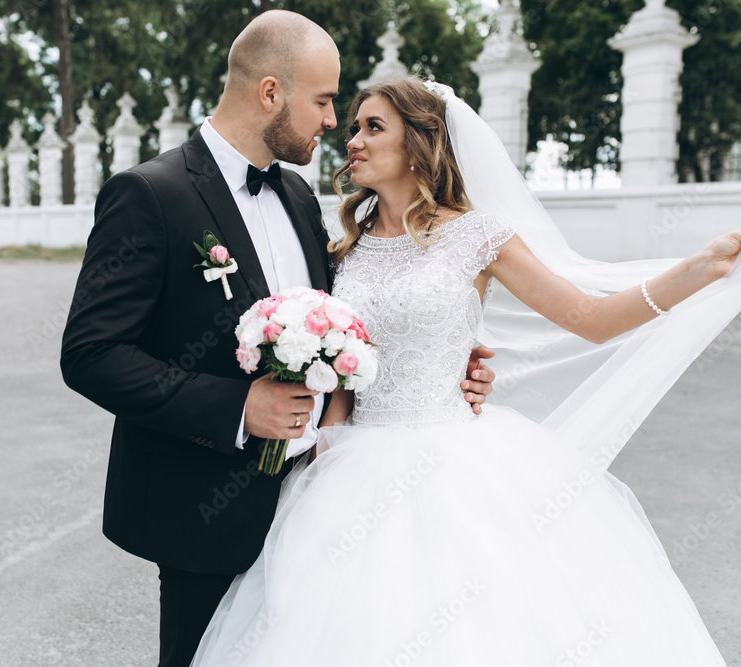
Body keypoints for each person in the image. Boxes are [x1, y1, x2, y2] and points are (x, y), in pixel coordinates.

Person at [189, 77, 741, 665]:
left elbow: (590, 317)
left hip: (452, 461)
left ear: (419, 143)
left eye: (373, 127)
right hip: (349, 465)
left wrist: (698, 268)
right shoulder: (344, 247)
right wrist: (324, 453)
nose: (353, 141)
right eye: (353, 127)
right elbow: (341, 363)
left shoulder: (477, 235)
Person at [59, 16, 495, 667]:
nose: (333, 122)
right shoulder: (150, 194)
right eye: (323, 101)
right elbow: (91, 353)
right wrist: (237, 408)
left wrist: (443, 358)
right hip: (204, 507)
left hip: (320, 500)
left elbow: (345, 321)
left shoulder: (296, 194)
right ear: (270, 93)